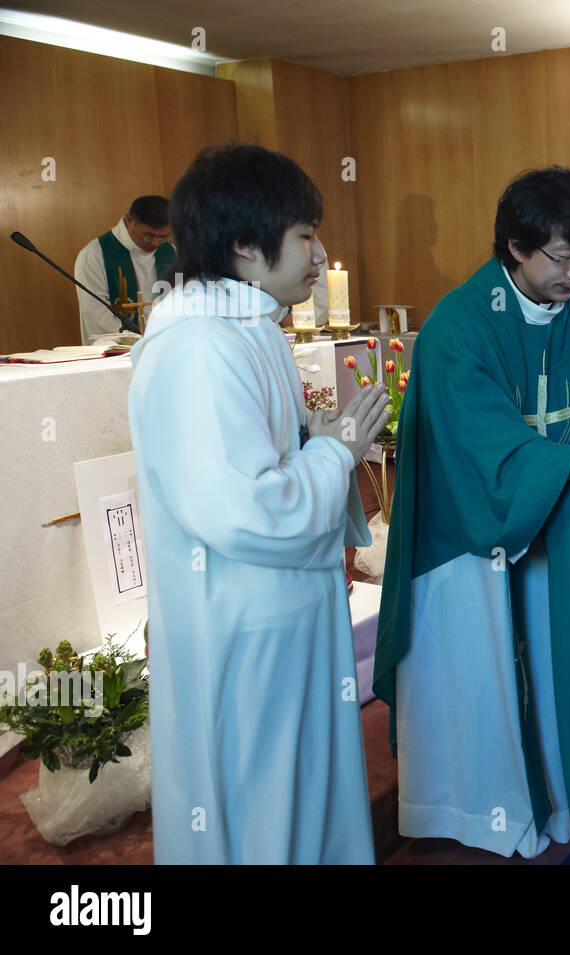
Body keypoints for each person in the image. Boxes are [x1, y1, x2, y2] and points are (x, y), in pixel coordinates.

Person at [374, 166, 570, 864]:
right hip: (467, 545)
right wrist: (560, 464)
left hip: (545, 526)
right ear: (515, 246)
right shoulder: (459, 324)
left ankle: (556, 793)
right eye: (563, 257)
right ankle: (473, 810)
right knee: (481, 685)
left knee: (552, 680)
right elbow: (475, 434)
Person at [128, 144, 388, 863]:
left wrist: (325, 442)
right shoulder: (198, 349)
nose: (319, 252)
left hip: (282, 617)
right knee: (261, 799)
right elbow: (244, 507)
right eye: (305, 234)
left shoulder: (251, 326)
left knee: (302, 787)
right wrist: (335, 449)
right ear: (244, 244)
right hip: (241, 629)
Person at [74, 195, 177, 344]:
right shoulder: (95, 255)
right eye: (149, 236)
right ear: (129, 220)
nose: (155, 243)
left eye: (163, 237)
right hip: (119, 355)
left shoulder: (172, 253)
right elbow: (97, 319)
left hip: (166, 348)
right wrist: (144, 344)